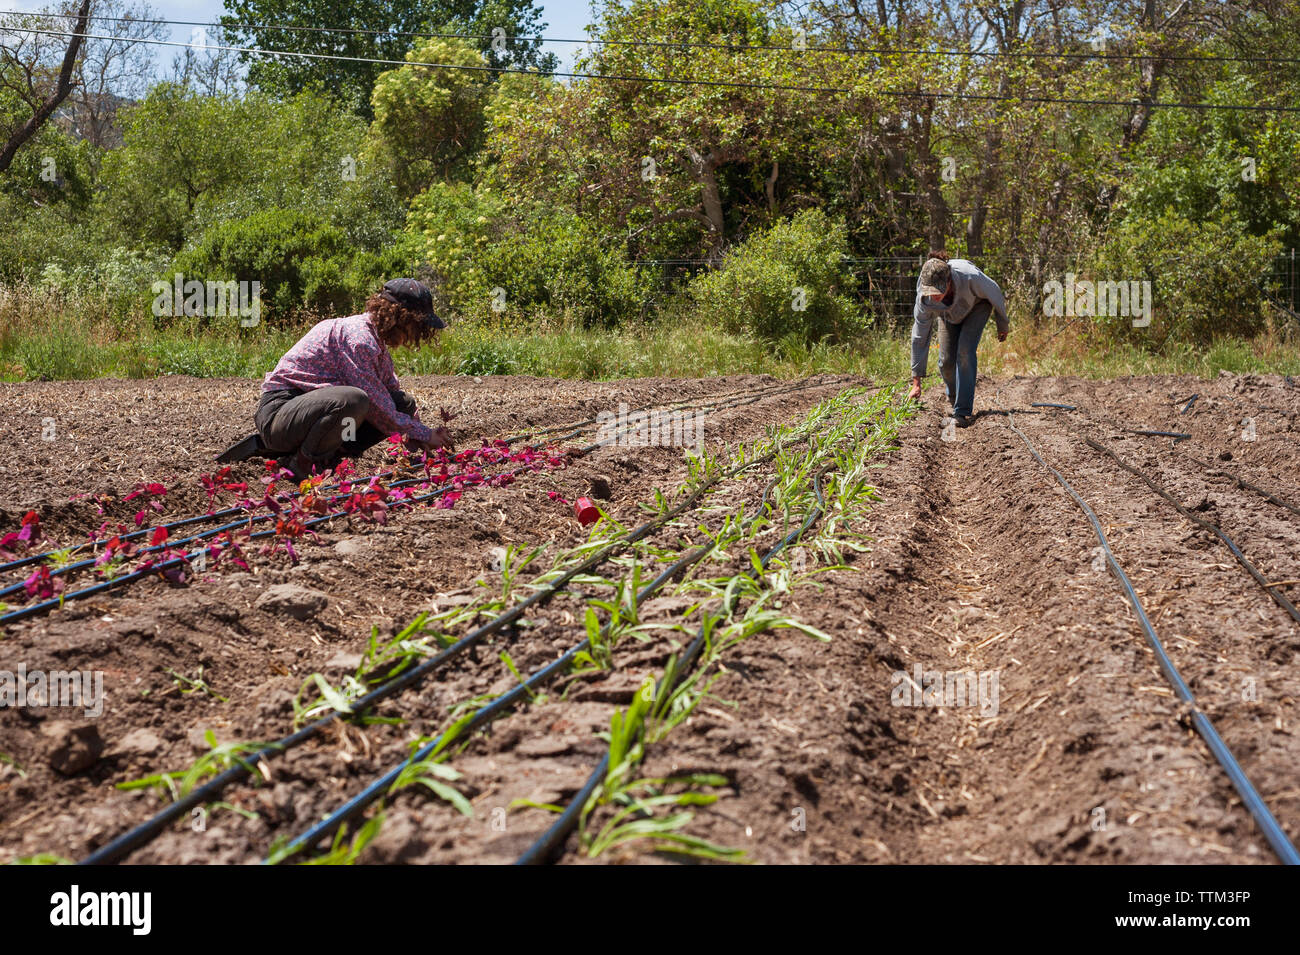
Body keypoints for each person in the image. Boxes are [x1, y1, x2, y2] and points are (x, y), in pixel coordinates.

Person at [217, 278, 454, 478]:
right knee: (355, 400)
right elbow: (375, 404)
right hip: (280, 414)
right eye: (416, 326)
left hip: (312, 415)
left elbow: (391, 394)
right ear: (401, 318)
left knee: (401, 401)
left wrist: (420, 432)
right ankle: (301, 463)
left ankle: (333, 455)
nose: (416, 335)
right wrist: (423, 434)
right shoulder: (359, 339)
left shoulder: (376, 343)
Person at [907, 251, 1009, 427]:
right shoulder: (924, 297)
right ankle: (955, 400)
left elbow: (995, 293)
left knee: (964, 352)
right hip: (949, 315)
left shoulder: (969, 276)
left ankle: (962, 412)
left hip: (977, 307)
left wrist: (1002, 324)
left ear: (949, 281)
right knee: (945, 362)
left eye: (938, 292)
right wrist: (916, 381)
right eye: (930, 292)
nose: (933, 297)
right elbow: (919, 336)